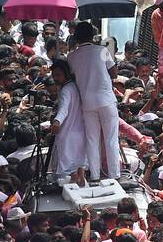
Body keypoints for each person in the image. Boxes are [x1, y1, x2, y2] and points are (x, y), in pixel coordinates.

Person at [67, 21, 121, 181]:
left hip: (87, 102)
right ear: (93, 35)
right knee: (111, 139)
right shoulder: (102, 50)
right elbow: (114, 73)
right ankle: (114, 176)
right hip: (106, 100)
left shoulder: (71, 56)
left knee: (92, 140)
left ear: (76, 37)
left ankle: (95, 175)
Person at [48, 57, 87, 184]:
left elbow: (63, 109)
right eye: (54, 76)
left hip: (68, 135)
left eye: (58, 75)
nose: (55, 78)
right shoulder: (76, 87)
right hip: (80, 133)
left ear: (66, 73)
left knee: (70, 173)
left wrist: (57, 122)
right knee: (80, 169)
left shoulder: (66, 90)